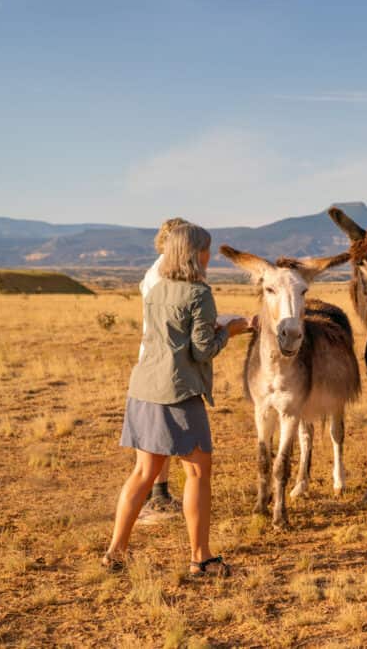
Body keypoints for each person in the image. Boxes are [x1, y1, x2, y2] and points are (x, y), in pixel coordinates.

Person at [102, 223, 250, 576]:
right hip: (178, 393)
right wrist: (229, 331)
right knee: (198, 471)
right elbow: (202, 352)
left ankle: (115, 553)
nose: (209, 257)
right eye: (206, 250)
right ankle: (201, 559)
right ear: (194, 254)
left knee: (143, 472)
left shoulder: (156, 289)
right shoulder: (199, 294)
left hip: (142, 388)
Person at [137, 217, 188, 520]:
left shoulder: (157, 271)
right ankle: (151, 498)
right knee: (157, 432)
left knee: (160, 431)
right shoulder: (164, 274)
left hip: (157, 359)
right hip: (162, 362)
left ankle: (158, 493)